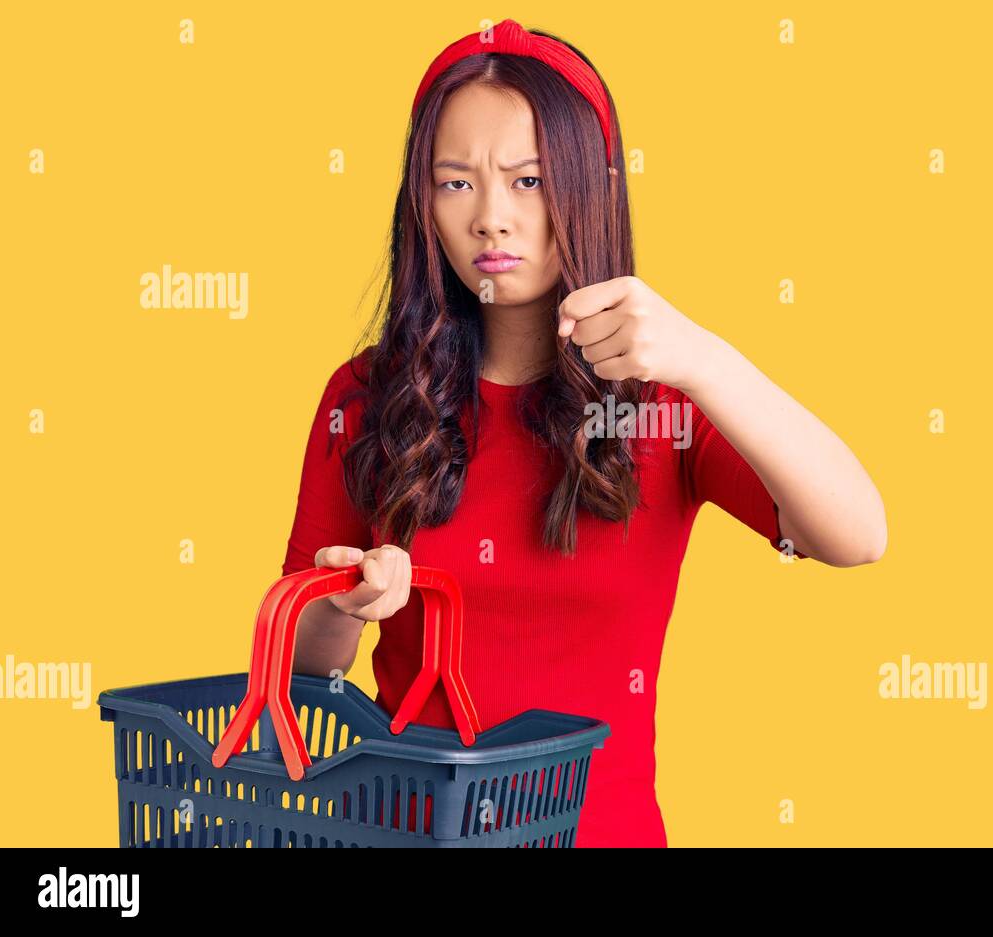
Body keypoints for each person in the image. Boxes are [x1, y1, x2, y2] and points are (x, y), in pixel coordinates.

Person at [281, 18, 887, 847]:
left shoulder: (661, 400)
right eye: (455, 184)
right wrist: (345, 602)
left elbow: (857, 534)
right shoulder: (368, 394)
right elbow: (302, 670)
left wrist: (706, 359)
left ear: (590, 186)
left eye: (527, 181)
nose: (491, 218)